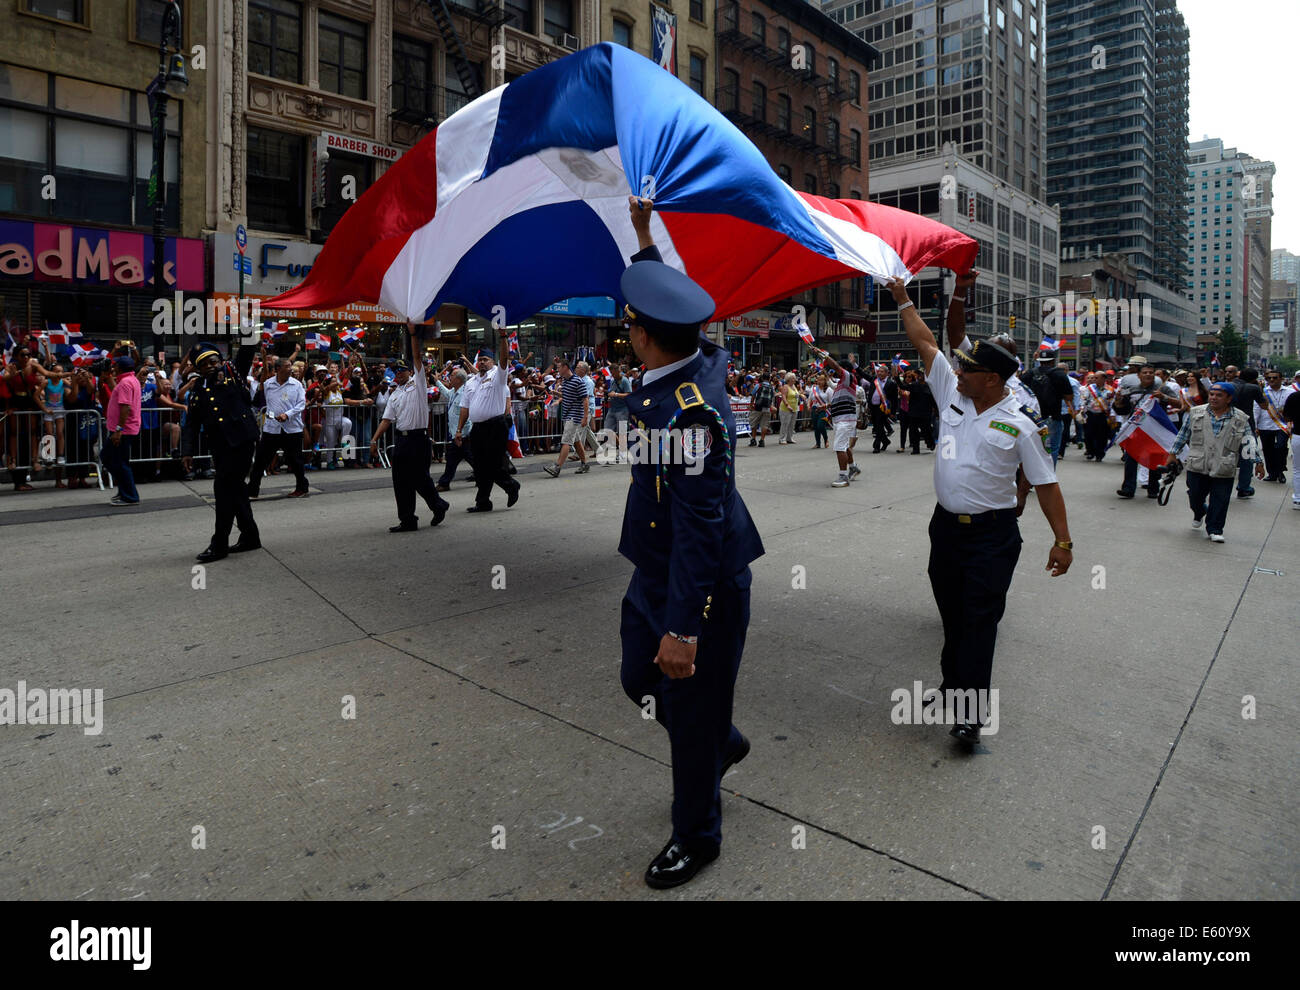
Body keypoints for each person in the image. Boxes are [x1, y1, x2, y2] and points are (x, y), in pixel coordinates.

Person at [618, 195, 764, 889]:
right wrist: (645, 235)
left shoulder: (692, 415)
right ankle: (719, 743)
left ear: (644, 337)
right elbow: (664, 296)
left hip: (696, 583)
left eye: (629, 325)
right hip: (655, 566)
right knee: (637, 680)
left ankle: (697, 836)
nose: (626, 330)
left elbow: (701, 529)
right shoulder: (688, 357)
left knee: (687, 701)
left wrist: (684, 627)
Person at [890, 273, 1072, 746]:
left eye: (967, 369)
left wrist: (1063, 540)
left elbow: (1046, 484)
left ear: (991, 379)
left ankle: (970, 713)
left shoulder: (1021, 424)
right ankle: (953, 689)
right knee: (952, 616)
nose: (957, 371)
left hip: (992, 536)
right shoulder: (955, 391)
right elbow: (928, 342)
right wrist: (902, 297)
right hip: (945, 530)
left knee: (978, 621)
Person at [182, 342, 261, 561]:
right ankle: (250, 536)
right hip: (220, 446)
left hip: (242, 441)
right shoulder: (198, 389)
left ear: (221, 361)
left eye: (213, 361)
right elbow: (191, 423)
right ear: (197, 369)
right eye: (203, 364)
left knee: (224, 492)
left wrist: (248, 317)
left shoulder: (232, 374)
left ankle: (219, 545)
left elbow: (246, 351)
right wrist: (186, 451)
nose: (209, 366)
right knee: (236, 491)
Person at [369, 323, 449, 532]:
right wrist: (374, 439)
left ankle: (438, 505)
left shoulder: (418, 383)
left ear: (410, 371)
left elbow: (416, 357)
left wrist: (413, 334)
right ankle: (408, 519)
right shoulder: (395, 393)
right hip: (402, 440)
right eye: (396, 370)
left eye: (402, 370)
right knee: (401, 481)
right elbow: (386, 419)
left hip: (418, 439)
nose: (399, 373)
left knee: (420, 478)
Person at [1165, 381, 1262, 543]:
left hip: (1224, 465)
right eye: (1212, 394)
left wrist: (1257, 462)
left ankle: (1215, 529)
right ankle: (1199, 511)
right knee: (1195, 494)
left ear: (1229, 398)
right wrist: (1173, 453)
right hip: (1198, 463)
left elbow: (1248, 441)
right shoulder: (1195, 413)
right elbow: (1183, 434)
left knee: (1220, 499)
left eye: (1219, 395)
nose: (1214, 398)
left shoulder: (1240, 418)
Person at [454, 339, 520, 513]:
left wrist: (503, 337)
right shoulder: (470, 382)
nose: (482, 362)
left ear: (492, 362)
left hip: (495, 426)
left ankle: (510, 486)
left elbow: (505, 359)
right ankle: (483, 502)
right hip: (477, 428)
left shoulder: (498, 376)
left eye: (486, 359)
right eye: (480, 359)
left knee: (493, 464)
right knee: (480, 466)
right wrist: (459, 430)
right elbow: (464, 408)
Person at [249, 356, 309, 499]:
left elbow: (301, 404)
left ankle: (302, 488)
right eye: (287, 366)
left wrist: (287, 415)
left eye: (291, 366)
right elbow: (260, 399)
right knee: (260, 461)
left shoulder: (296, 385)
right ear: (277, 369)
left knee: (295, 461)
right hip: (272, 429)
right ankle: (252, 491)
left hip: (292, 429)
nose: (291, 369)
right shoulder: (268, 384)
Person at [102, 355, 142, 506]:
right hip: (124, 429)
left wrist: (119, 430)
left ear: (120, 367)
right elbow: (117, 393)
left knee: (116, 461)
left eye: (115, 365)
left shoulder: (126, 382)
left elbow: (125, 407)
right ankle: (125, 490)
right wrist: (108, 378)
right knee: (112, 459)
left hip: (123, 430)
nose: (113, 367)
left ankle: (130, 496)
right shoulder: (130, 380)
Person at [543, 358, 591, 477]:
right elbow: (567, 395)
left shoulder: (578, 381)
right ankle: (585, 464)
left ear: (565, 367)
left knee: (566, 441)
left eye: (559, 367)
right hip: (567, 414)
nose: (558, 370)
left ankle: (557, 467)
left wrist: (585, 417)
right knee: (576, 441)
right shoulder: (565, 380)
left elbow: (585, 399)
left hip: (574, 416)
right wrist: (557, 394)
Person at [436, 367, 474, 490]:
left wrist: (461, 432)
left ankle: (444, 483)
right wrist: (436, 381)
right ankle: (444, 483)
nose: (449, 377)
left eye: (452, 375)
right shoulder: (454, 391)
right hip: (456, 434)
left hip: (463, 434)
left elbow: (467, 416)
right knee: (454, 459)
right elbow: (445, 392)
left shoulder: (464, 393)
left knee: (466, 458)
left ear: (459, 379)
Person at [1257, 370, 1293, 484]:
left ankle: (1281, 470)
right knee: (1268, 450)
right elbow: (1256, 408)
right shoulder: (1262, 392)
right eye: (1269, 378)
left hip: (1283, 425)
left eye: (1275, 378)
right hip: (1265, 424)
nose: (1271, 380)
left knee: (1281, 447)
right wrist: (1255, 425)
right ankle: (1272, 473)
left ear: (1281, 379)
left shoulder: (1290, 392)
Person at [866, 363, 895, 452]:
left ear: (887, 373)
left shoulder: (891, 383)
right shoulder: (874, 380)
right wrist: (854, 365)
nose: (879, 373)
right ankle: (886, 441)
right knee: (877, 426)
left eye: (882, 372)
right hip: (873, 407)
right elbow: (863, 374)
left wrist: (893, 412)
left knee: (879, 426)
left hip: (883, 408)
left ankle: (876, 446)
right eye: (879, 372)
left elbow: (894, 399)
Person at [747, 372, 773, 447]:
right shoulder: (771, 387)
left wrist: (751, 405)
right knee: (764, 425)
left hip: (757, 407)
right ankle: (762, 440)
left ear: (762, 378)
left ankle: (753, 439)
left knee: (754, 423)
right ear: (769, 378)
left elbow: (753, 395)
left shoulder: (758, 385)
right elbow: (771, 397)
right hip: (767, 408)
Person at [777, 373, 800, 444]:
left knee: (792, 424)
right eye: (793, 378)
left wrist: (801, 395)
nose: (794, 379)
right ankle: (782, 439)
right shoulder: (786, 387)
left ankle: (789, 438)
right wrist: (787, 405)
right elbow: (783, 396)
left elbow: (796, 394)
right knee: (785, 424)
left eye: (794, 378)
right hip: (786, 408)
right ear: (789, 379)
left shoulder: (794, 386)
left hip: (794, 408)